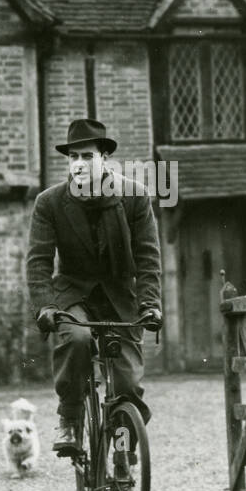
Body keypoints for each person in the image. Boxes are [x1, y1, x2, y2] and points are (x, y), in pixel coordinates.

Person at [25, 119, 163, 463]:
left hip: (120, 298)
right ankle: (70, 418)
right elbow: (39, 261)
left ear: (105, 158)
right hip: (73, 295)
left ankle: (121, 461)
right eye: (72, 157)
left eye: (86, 156)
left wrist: (150, 304)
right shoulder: (50, 202)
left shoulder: (134, 198)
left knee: (127, 385)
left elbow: (148, 257)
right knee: (77, 339)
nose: (78, 164)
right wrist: (45, 305)